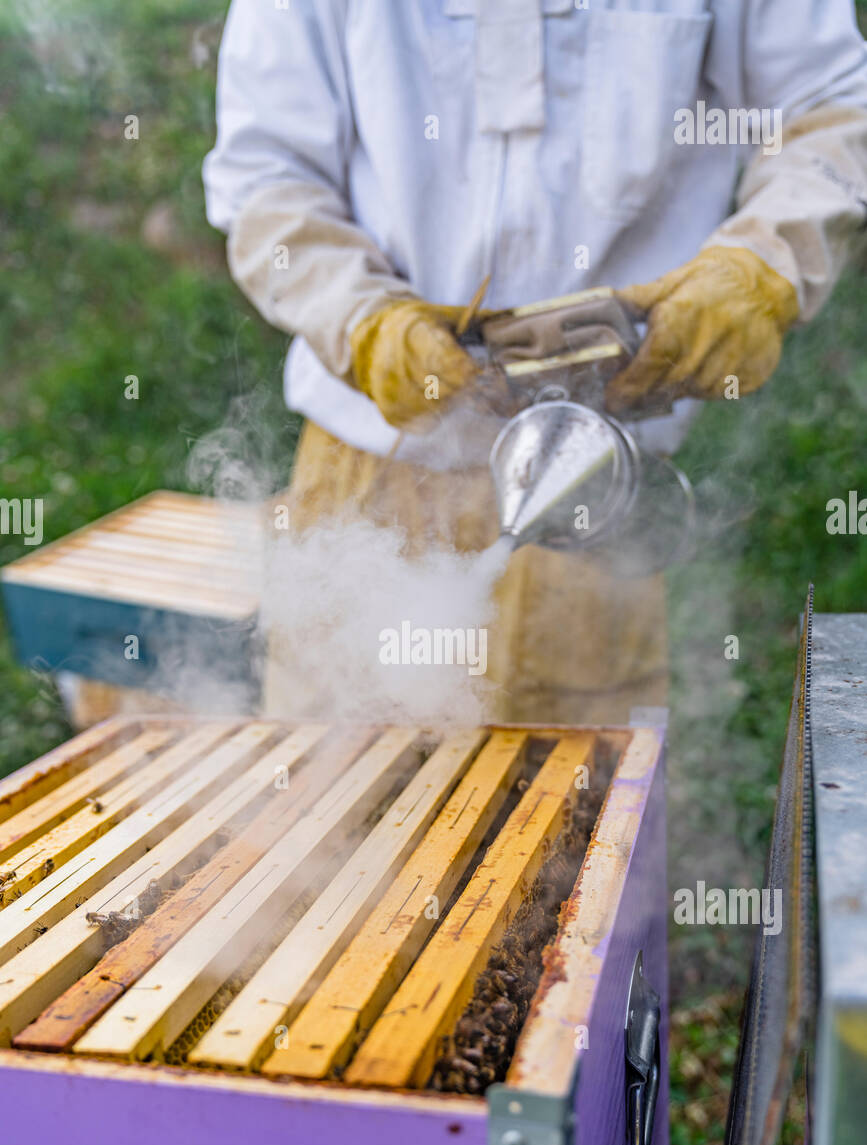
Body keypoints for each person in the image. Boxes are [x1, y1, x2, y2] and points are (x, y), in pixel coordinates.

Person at [204, 0, 867, 724]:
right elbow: (265, 172)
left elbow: (832, 113)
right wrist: (357, 316)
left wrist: (764, 262)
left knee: (574, 819)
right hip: (371, 478)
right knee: (325, 799)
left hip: (594, 497)